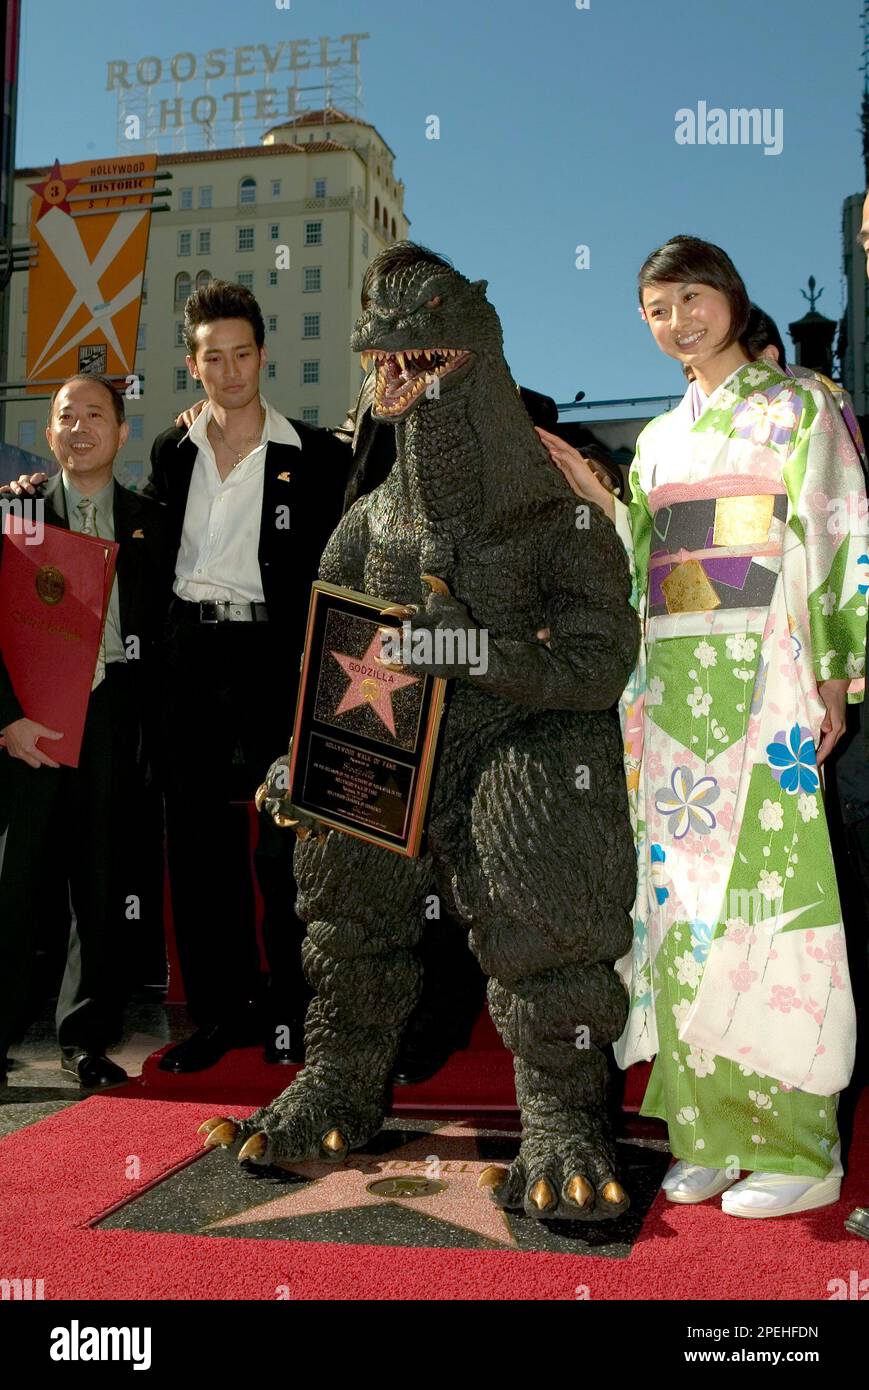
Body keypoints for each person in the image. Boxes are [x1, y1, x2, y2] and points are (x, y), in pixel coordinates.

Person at [538, 234, 867, 1217]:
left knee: (776, 913)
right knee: (684, 920)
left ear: (727, 296)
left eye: (689, 298)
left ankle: (799, 1143)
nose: (674, 321)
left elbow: (841, 523)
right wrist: (601, 500)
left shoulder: (801, 403)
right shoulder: (656, 441)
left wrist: (837, 671)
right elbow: (646, 567)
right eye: (653, 308)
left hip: (767, 675)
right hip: (675, 695)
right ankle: (708, 1130)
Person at [146, 280, 351, 1073]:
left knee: (284, 841)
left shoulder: (316, 455)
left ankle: (293, 1011)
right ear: (194, 366)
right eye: (212, 359)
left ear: (263, 355)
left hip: (276, 660)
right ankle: (219, 1014)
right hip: (188, 659)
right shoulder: (173, 452)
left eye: (242, 355)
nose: (230, 372)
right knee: (197, 843)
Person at [0, 374, 172, 1088]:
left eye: (95, 414)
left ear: (122, 431)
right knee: (13, 882)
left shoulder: (150, 519)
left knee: (99, 887)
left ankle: (85, 1041)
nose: (79, 427)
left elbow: (167, 632)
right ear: (49, 435)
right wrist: (5, 717)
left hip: (110, 719)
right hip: (30, 720)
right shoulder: (20, 511)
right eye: (65, 416)